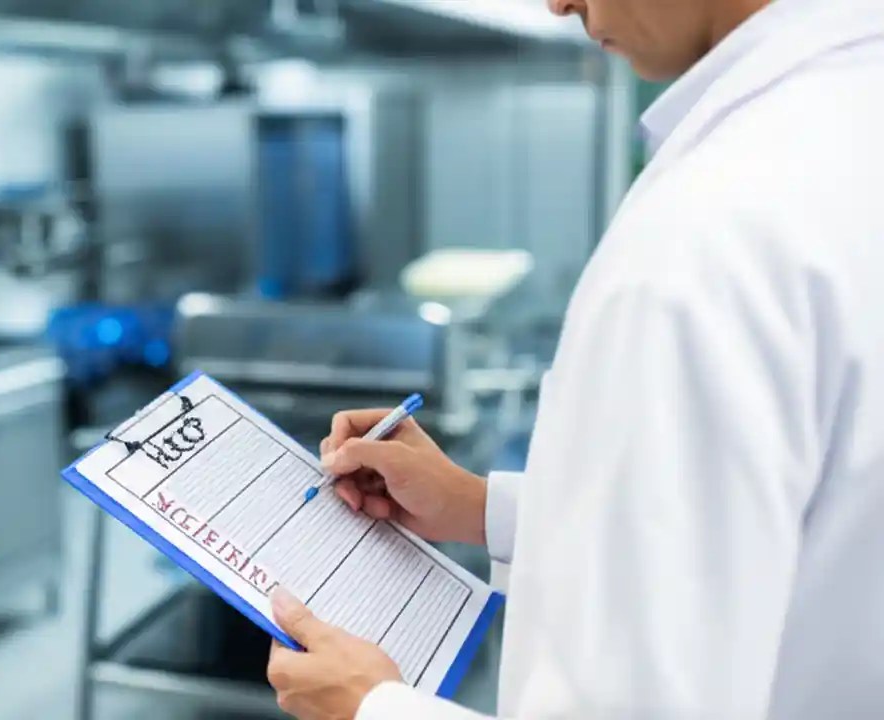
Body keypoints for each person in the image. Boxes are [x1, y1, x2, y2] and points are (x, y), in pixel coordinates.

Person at [264, 0, 884, 718]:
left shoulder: (715, 230)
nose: (558, 3)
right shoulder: (846, 131)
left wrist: (372, 708)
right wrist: (478, 507)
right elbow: (773, 531)